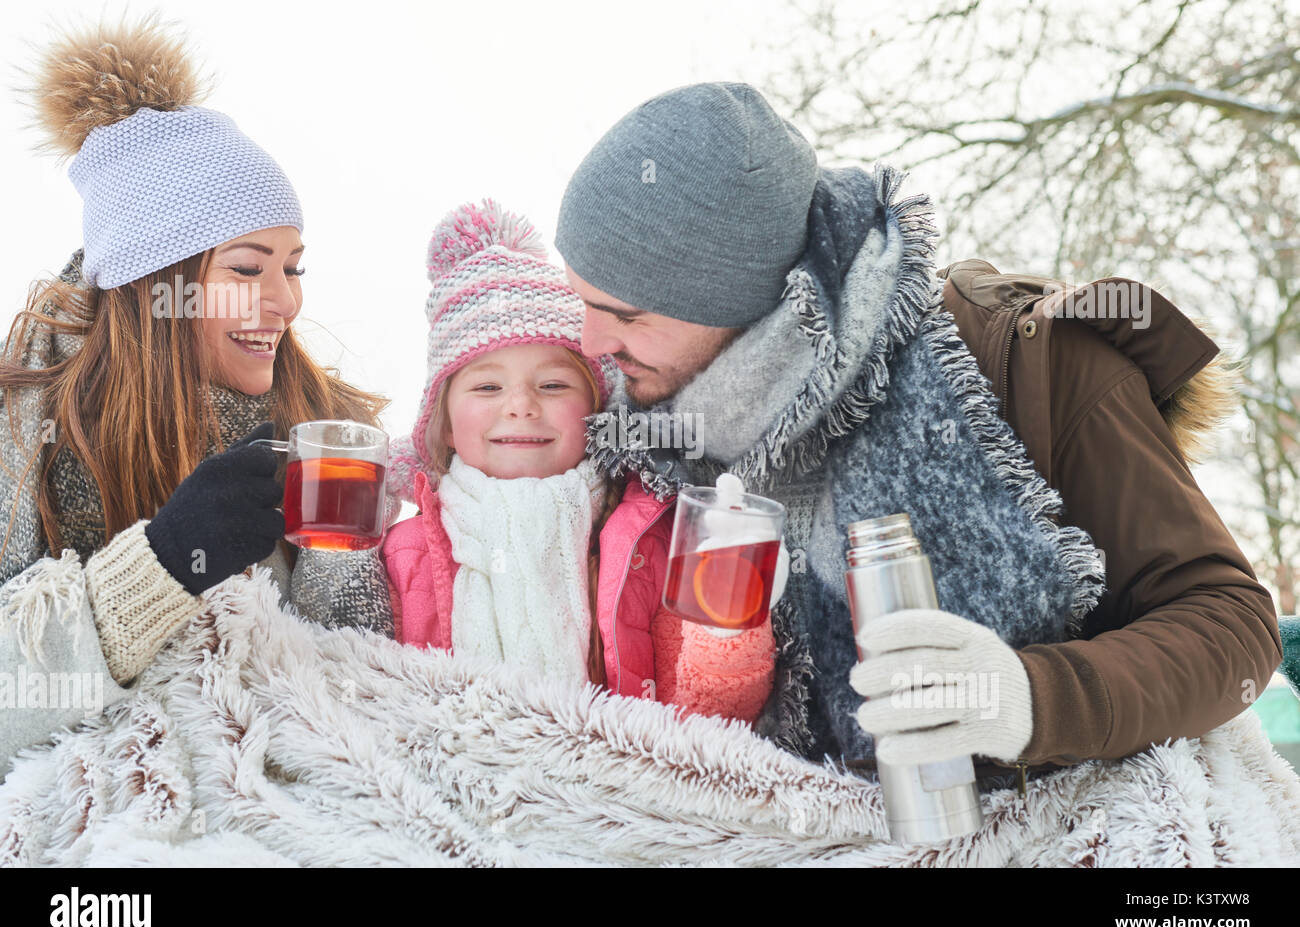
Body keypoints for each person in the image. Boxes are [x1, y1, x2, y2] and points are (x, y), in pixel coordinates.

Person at [554, 82, 1282, 786]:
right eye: (580, 299)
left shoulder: (1023, 362)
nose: (590, 340)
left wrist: (1030, 699)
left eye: (624, 311)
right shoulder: (631, 428)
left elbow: (1231, 623)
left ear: (733, 294)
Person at [0, 18, 393, 776]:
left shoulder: (325, 424)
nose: (284, 301)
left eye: (294, 268)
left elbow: (362, 685)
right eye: (248, 270)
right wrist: (162, 563)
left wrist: (340, 557)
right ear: (159, 287)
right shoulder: (24, 434)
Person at [381, 200, 775, 721]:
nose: (520, 404)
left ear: (595, 408)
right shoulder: (404, 552)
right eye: (487, 386)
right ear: (446, 423)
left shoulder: (648, 537)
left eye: (552, 384)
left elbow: (713, 719)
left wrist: (727, 629)